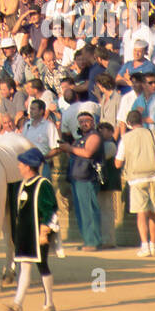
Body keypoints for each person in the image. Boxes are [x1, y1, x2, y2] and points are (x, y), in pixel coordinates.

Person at [7, 147, 59, 311]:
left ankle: (49, 302)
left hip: (38, 233)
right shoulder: (22, 185)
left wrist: (44, 232)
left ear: (29, 166)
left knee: (42, 265)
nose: (19, 167)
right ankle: (18, 303)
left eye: (21, 164)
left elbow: (50, 209)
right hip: (25, 234)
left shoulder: (43, 184)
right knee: (25, 267)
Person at [115, 109, 155, 256]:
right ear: (142, 121)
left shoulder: (126, 138)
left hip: (136, 179)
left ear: (129, 124)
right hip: (154, 176)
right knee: (154, 212)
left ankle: (145, 246)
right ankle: (154, 245)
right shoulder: (154, 134)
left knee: (141, 214)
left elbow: (118, 163)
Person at [65, 107, 102, 250]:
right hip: (77, 178)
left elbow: (88, 153)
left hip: (87, 178)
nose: (84, 123)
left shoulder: (94, 136)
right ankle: (87, 240)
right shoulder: (80, 139)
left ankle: (93, 242)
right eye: (81, 121)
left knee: (89, 211)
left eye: (87, 121)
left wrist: (69, 148)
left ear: (93, 122)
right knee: (82, 212)